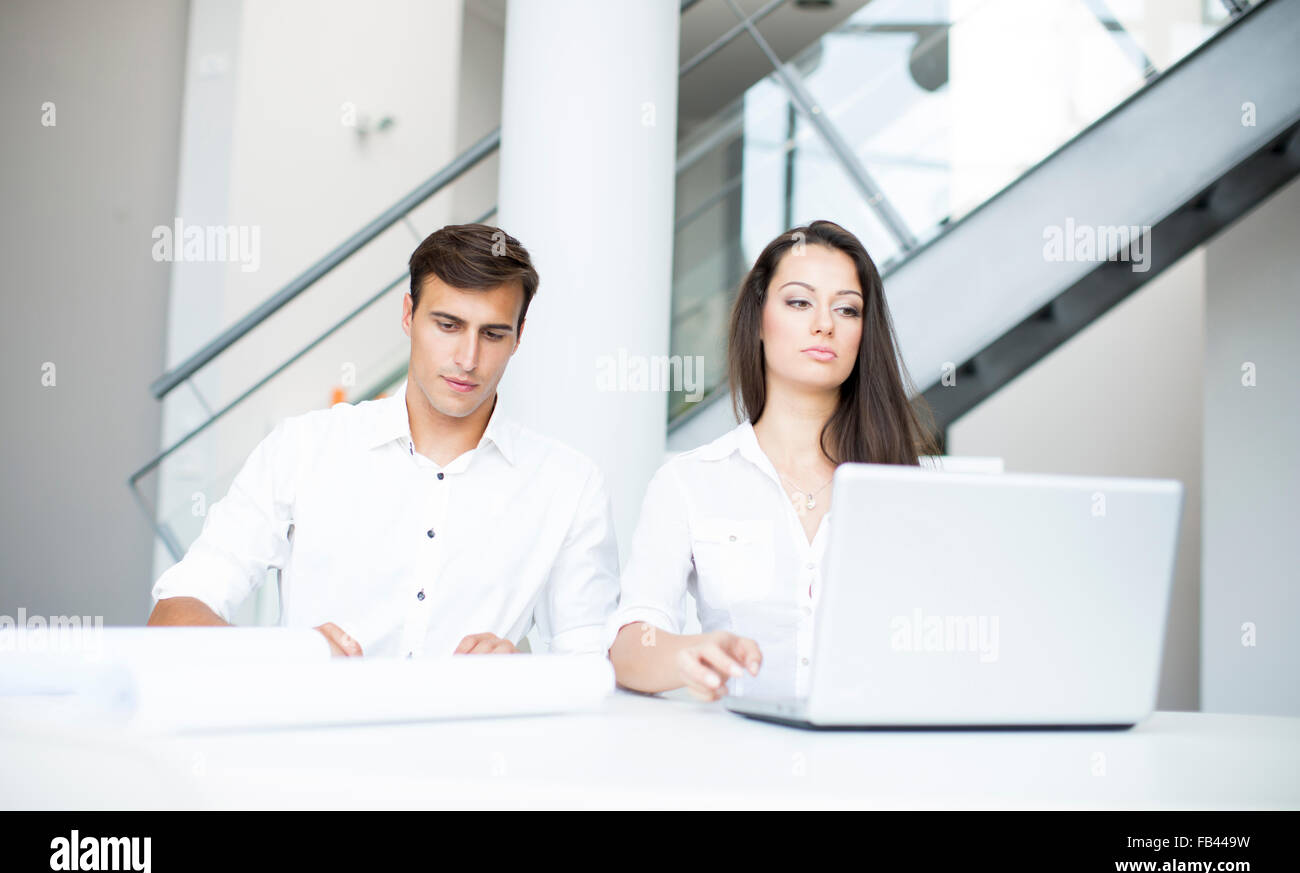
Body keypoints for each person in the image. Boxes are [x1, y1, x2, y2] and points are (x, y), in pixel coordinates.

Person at [149, 223, 619, 659]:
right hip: (313, 742)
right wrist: (286, 658)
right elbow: (176, 612)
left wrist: (524, 672)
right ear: (408, 315)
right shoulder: (303, 448)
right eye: (448, 325)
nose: (468, 358)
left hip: (473, 746)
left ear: (518, 338)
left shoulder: (568, 484)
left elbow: (590, 661)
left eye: (492, 334)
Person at [605, 220, 938, 700]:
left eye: (847, 309)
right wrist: (684, 654)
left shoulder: (908, 486)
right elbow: (632, 642)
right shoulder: (690, 482)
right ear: (758, 320)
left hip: (873, 757)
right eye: (800, 302)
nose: (824, 323)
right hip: (739, 759)